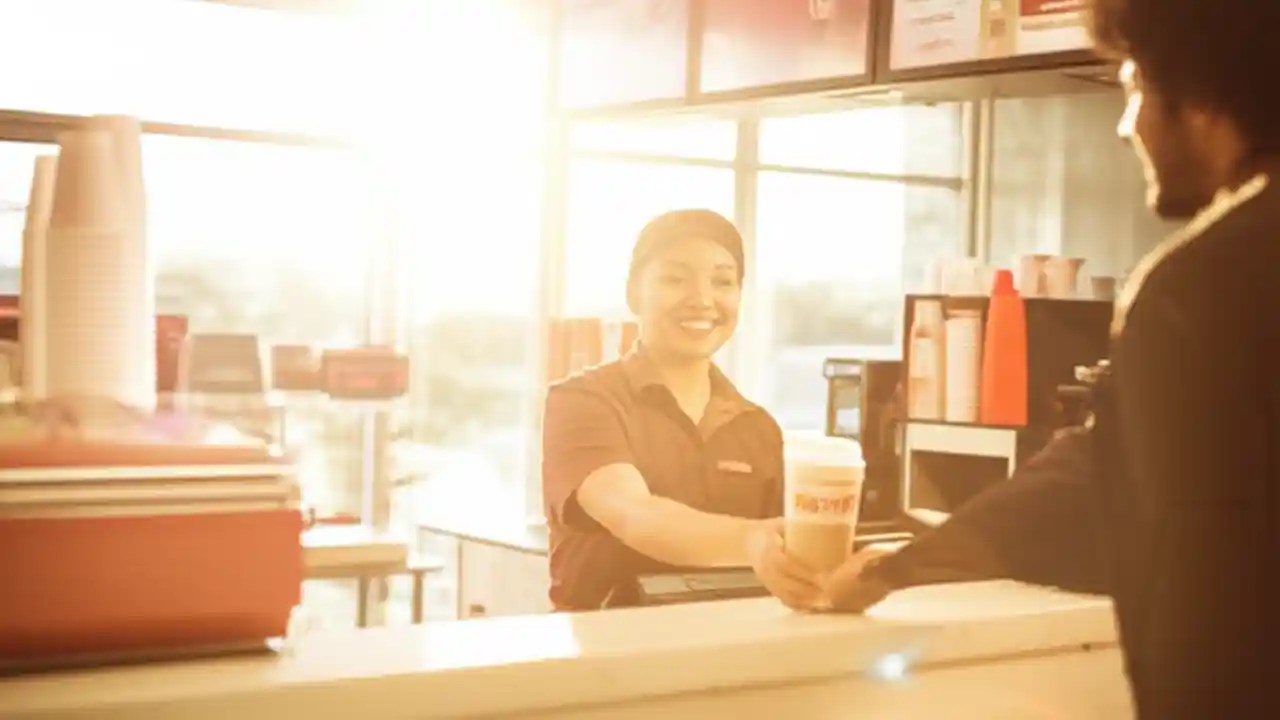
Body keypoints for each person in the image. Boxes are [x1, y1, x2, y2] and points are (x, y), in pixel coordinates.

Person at [818, 1, 1280, 716]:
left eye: (1131, 87)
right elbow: (1103, 469)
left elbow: (1199, 583)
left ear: (1201, 96)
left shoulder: (1201, 288)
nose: (1125, 128)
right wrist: (894, 569)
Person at [541, 209, 820, 611]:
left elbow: (787, 563)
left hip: (727, 658)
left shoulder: (758, 428)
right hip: (602, 661)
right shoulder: (584, 402)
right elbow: (634, 513)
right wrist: (751, 540)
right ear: (634, 293)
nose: (702, 300)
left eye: (722, 282)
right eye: (675, 279)